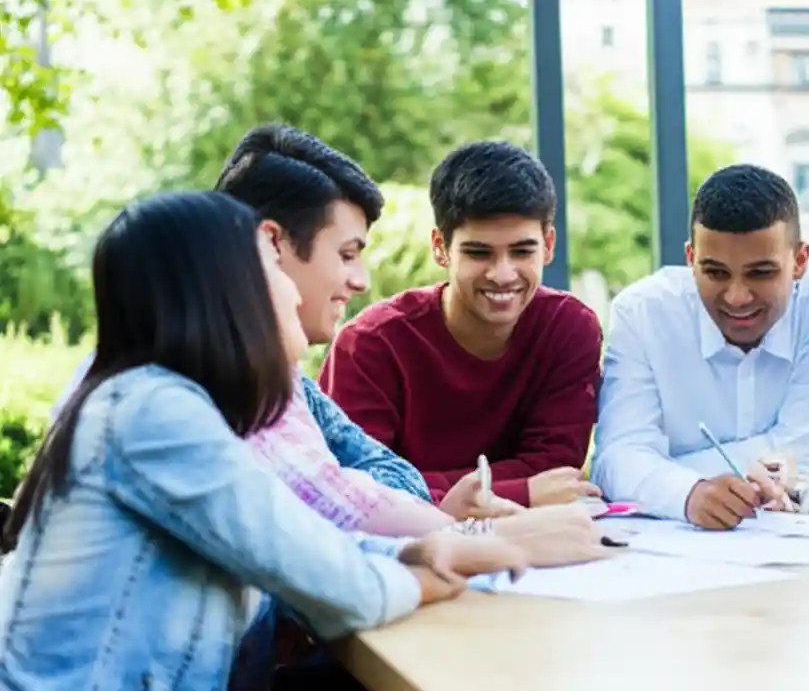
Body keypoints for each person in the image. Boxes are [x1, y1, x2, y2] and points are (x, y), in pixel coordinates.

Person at [0, 192, 526, 690]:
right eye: (272, 267)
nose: (292, 289)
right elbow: (329, 579)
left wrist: (423, 551)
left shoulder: (170, 403)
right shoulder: (152, 414)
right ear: (227, 290)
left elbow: (295, 540)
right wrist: (426, 577)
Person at [50, 124, 510, 522]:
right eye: (347, 255)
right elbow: (340, 521)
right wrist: (464, 534)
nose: (361, 282)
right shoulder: (195, 382)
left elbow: (385, 487)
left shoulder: (261, 373)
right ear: (270, 245)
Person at [591, 163, 809, 530]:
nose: (738, 297)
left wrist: (666, 477)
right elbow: (615, 458)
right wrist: (689, 494)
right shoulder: (643, 312)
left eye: (761, 273)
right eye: (716, 272)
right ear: (691, 260)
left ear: (800, 261)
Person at [320, 141, 603, 508]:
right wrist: (519, 491)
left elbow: (555, 469)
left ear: (548, 245)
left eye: (522, 251)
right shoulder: (370, 346)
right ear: (440, 247)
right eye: (478, 252)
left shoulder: (568, 328)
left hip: (527, 537)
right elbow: (360, 486)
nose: (503, 274)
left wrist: (422, 488)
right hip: (405, 545)